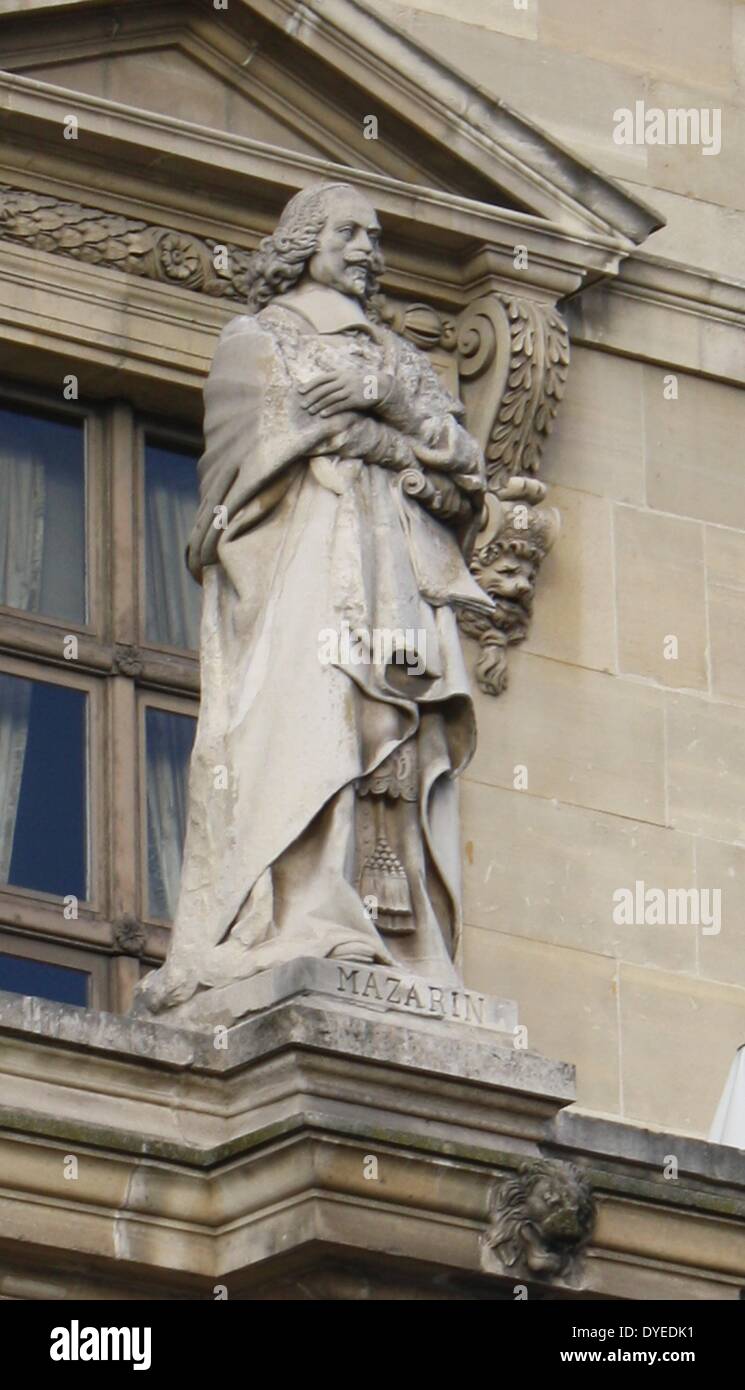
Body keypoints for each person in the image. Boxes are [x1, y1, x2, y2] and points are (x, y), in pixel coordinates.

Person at [135, 181, 493, 1015]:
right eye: (349, 232)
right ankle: (299, 911)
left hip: (394, 576)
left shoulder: (400, 359)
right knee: (311, 720)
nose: (368, 249)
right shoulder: (257, 340)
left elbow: (465, 482)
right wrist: (369, 436)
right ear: (305, 239)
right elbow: (238, 476)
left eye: (375, 237)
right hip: (302, 574)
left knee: (388, 735)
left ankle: (389, 932)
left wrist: (383, 412)